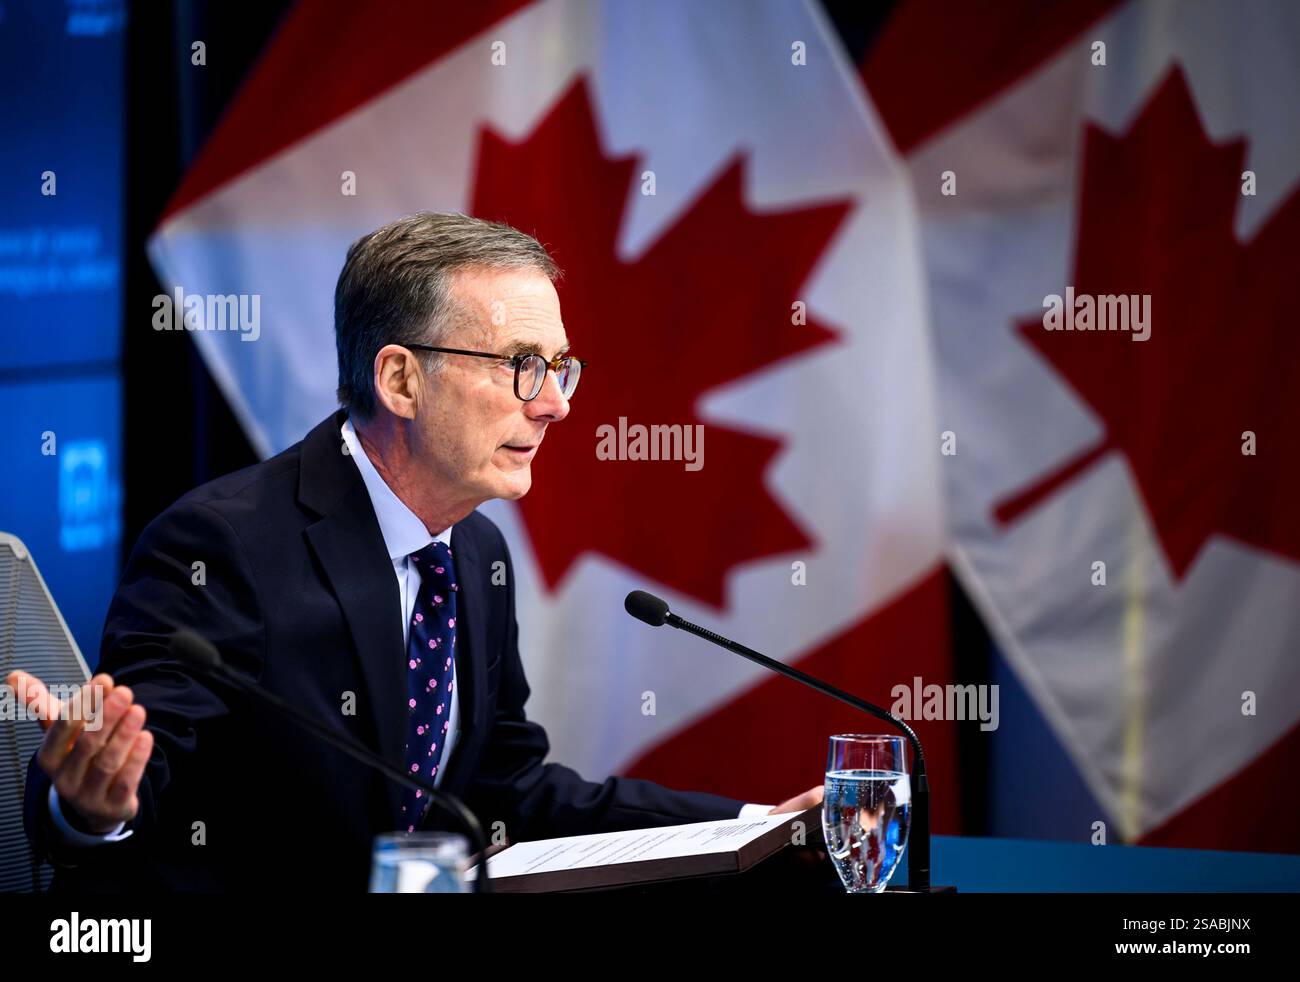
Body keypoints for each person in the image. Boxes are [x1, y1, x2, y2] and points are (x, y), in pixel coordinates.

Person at [9, 212, 821, 892]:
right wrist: (90, 805)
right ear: (399, 380)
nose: (558, 405)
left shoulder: (474, 553)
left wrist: (754, 826)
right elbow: (137, 777)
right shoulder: (223, 545)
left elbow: (511, 792)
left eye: (563, 367)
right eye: (523, 367)